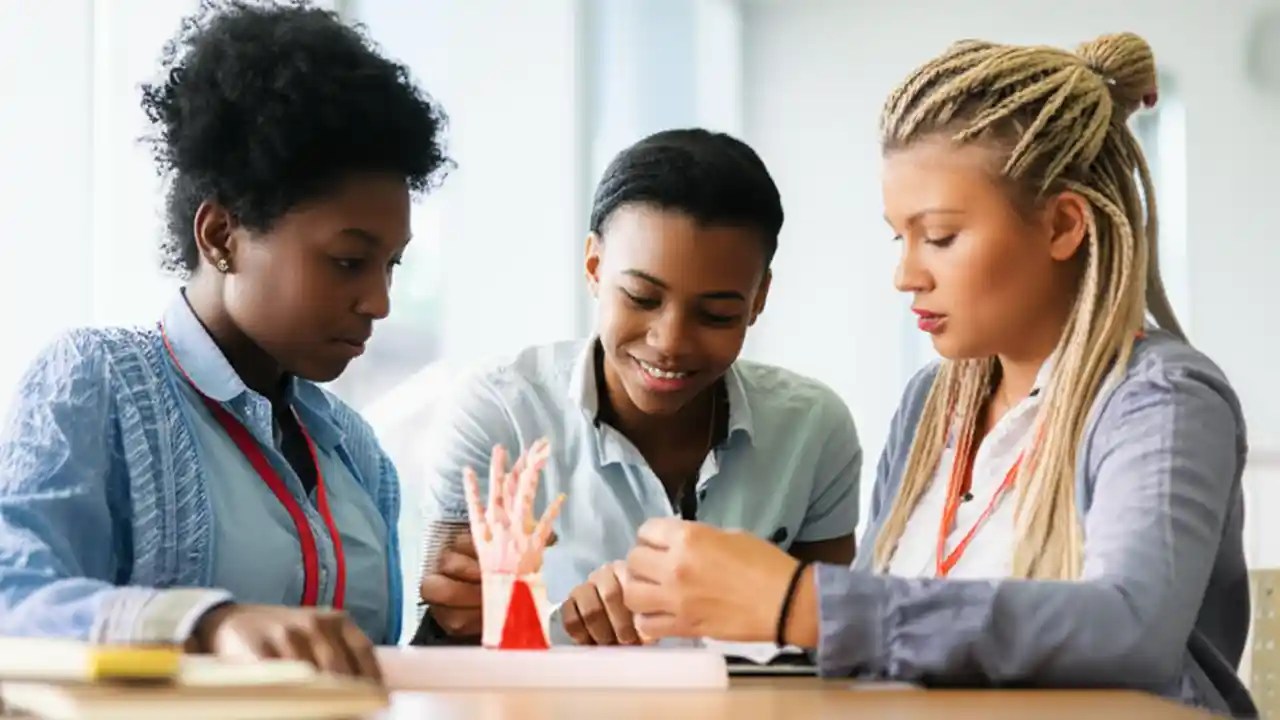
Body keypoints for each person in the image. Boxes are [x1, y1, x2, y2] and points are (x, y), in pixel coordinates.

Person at [619, 33, 1254, 716]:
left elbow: (1130, 631)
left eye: (942, 237)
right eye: (901, 236)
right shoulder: (933, 403)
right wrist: (702, 612)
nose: (906, 274)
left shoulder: (1160, 400)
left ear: (1064, 225)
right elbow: (879, 641)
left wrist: (803, 605)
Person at [0, 0, 450, 680]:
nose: (379, 302)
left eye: (391, 265)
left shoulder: (357, 455)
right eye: (348, 261)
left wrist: (449, 627)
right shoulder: (99, 381)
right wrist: (207, 624)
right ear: (219, 236)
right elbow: (13, 595)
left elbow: (366, 673)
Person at [414, 128, 861, 647]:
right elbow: (450, 630)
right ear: (594, 267)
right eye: (641, 297)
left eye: (716, 314)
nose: (669, 342)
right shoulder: (497, 414)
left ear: (758, 299)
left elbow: (833, 645)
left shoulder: (813, 428)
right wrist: (496, 613)